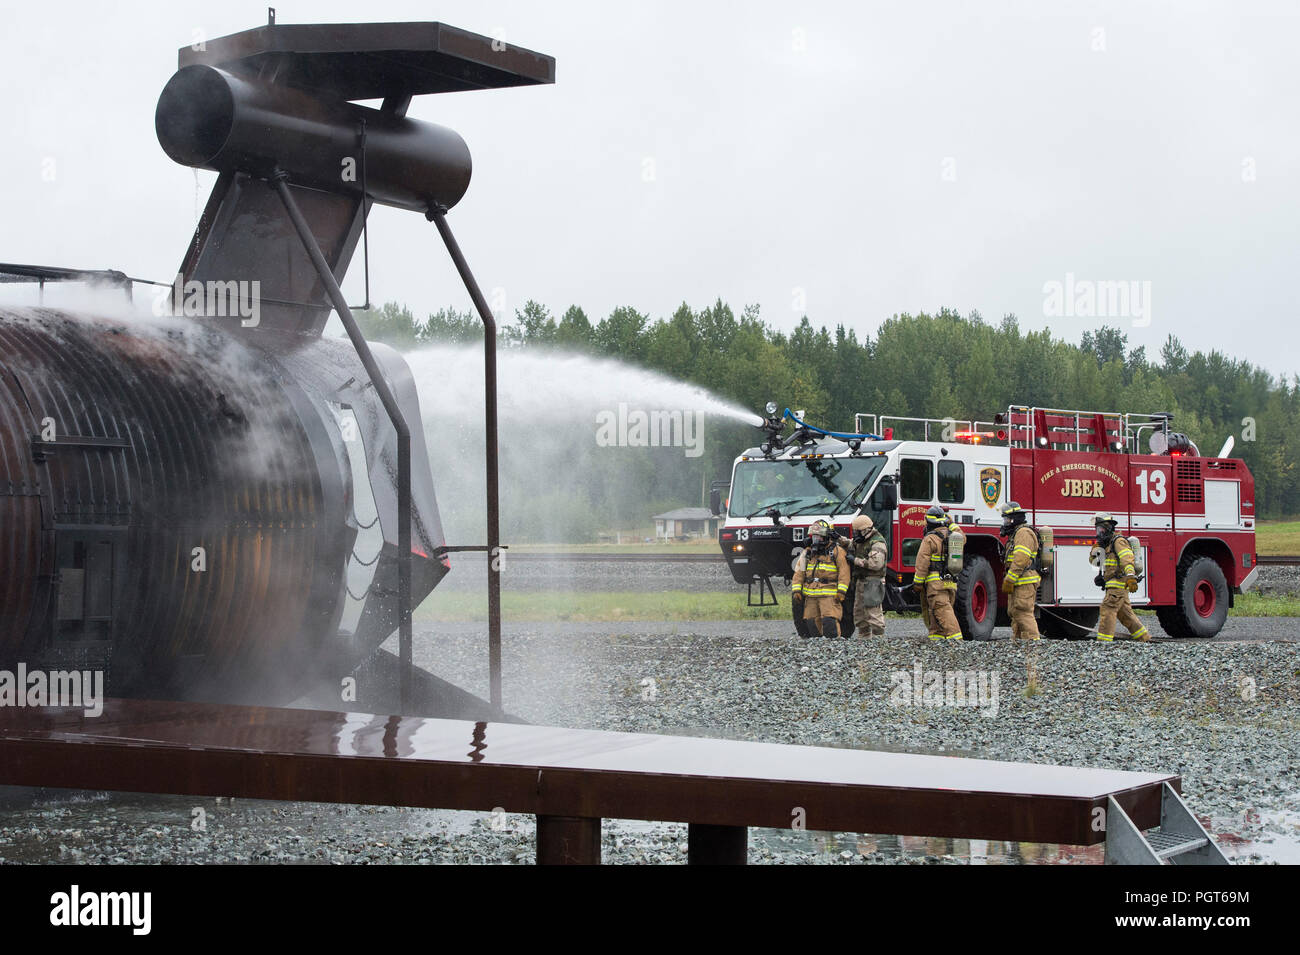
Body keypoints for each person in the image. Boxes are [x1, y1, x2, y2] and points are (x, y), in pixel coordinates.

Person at [1092, 511, 1150, 643]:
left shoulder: (1118, 541)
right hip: (1112, 583)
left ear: (1109, 528)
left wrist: (1130, 576)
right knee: (1125, 614)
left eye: (1101, 529)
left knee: (1108, 610)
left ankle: (1104, 642)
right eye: (1097, 529)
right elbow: (1094, 562)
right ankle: (1143, 637)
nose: (1099, 532)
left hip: (1118, 583)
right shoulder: (1105, 545)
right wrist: (1096, 549)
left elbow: (1127, 559)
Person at [792, 519, 850, 638]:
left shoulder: (837, 551)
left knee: (829, 623)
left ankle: (834, 648)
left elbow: (844, 573)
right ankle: (817, 651)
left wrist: (841, 591)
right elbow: (799, 573)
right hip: (811, 595)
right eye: (814, 537)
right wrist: (797, 590)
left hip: (829, 595)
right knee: (811, 622)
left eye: (819, 537)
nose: (816, 540)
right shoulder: (807, 553)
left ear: (826, 537)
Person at [913, 505, 962, 641]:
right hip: (950, 582)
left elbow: (922, 563)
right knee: (935, 615)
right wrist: (951, 524)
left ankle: (958, 643)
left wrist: (917, 583)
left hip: (936, 584)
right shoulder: (954, 536)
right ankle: (936, 643)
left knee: (943, 612)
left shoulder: (930, 539)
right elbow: (963, 537)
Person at [999, 501, 1041, 641]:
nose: (1005, 523)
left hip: (1024, 580)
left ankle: (1033, 645)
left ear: (1014, 519)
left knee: (1023, 613)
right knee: (1015, 613)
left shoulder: (1023, 533)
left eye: (1006, 519)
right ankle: (1018, 644)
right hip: (1019, 581)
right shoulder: (1017, 534)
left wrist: (1010, 578)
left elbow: (1021, 559)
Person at [844, 514, 888, 637]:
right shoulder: (862, 540)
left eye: (857, 532)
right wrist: (838, 538)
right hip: (861, 581)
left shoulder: (877, 543)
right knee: (860, 614)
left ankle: (878, 640)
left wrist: (855, 560)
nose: (855, 534)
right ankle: (863, 641)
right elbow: (850, 543)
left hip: (873, 582)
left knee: (873, 613)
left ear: (865, 530)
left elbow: (876, 564)